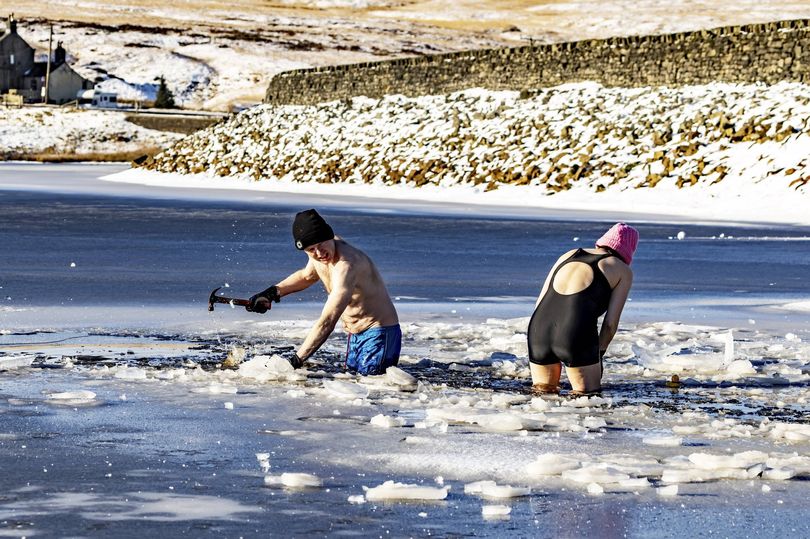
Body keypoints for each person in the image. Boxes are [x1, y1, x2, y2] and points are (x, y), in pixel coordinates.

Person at [247, 209, 401, 375]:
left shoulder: (346, 266)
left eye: (321, 245)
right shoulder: (319, 253)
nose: (319, 253)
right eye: (311, 250)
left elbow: (327, 322)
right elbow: (307, 277)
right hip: (355, 334)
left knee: (373, 388)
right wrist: (271, 293)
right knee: (356, 382)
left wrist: (296, 360)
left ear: (329, 236)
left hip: (379, 333)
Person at [527, 223, 638, 394]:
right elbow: (610, 324)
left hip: (538, 329)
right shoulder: (622, 270)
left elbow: (540, 302)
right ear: (629, 251)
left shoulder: (568, 255)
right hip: (574, 333)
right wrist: (598, 354)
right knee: (586, 399)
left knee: (542, 396)